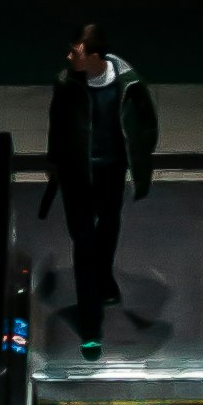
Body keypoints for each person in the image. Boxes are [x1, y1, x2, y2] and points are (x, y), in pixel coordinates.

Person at [42, 23, 158, 357]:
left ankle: (104, 276)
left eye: (75, 51)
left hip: (111, 172)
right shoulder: (65, 82)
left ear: (94, 56)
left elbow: (146, 123)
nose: (68, 56)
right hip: (77, 175)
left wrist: (140, 154)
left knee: (108, 230)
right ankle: (91, 327)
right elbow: (57, 123)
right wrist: (54, 164)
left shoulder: (128, 82)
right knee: (83, 245)